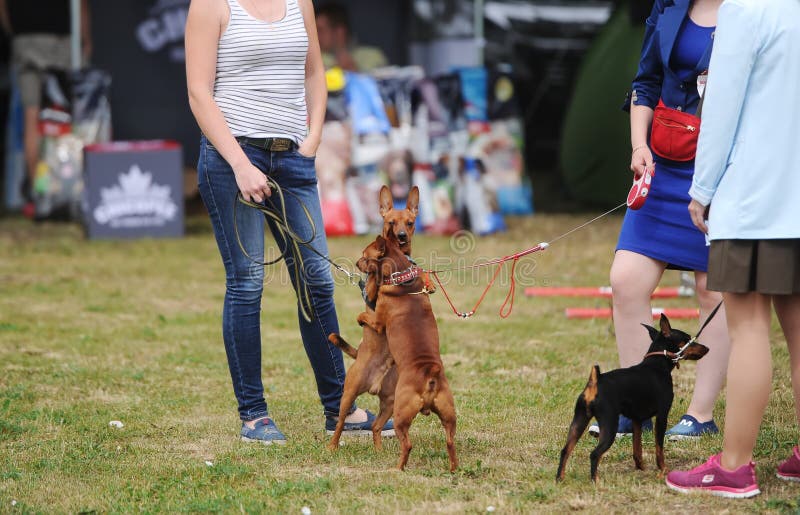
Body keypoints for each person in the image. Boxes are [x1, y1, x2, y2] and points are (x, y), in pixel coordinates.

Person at [185, 0, 392, 444]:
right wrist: (241, 165)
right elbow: (199, 93)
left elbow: (315, 72)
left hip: (293, 158)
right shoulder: (211, 5)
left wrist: (313, 137)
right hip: (232, 158)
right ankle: (254, 415)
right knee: (247, 282)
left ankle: (341, 405)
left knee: (316, 279)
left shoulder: (300, 2)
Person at [665, 0, 800, 498]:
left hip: (754, 198)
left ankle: (735, 466)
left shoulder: (745, 10)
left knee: (748, 333)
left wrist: (701, 189)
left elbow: (720, 107)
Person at [598, 0, 731, 439]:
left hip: (720, 166)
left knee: (713, 291)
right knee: (626, 280)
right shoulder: (668, 4)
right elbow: (646, 81)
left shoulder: (752, 10)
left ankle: (700, 415)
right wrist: (639, 147)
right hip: (663, 163)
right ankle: (632, 407)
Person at [0, 0, 91, 215]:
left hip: (27, 38)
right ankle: (73, 192)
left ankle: (39, 195)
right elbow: (81, 4)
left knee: (32, 117)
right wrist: (86, 36)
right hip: (62, 38)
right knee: (72, 116)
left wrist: (16, 33)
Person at [314, 2, 388, 72]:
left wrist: (353, 72)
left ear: (339, 32)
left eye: (320, 30)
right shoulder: (315, 59)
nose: (315, 35)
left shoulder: (372, 56)